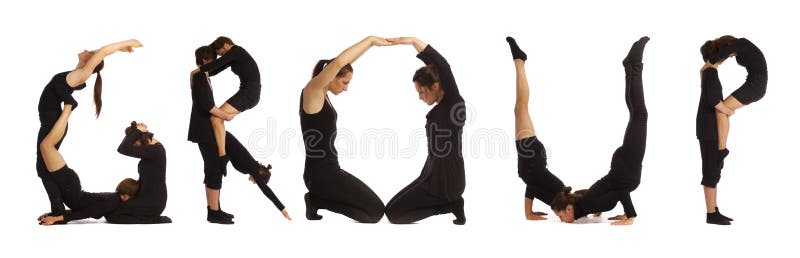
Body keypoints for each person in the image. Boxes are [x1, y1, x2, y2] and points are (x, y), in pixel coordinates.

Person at [36, 39, 142, 218]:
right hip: (50, 122)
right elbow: (98, 53)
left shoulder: (82, 74)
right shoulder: (77, 72)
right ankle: (57, 210)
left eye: (90, 53)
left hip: (55, 121)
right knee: (41, 166)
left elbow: (101, 53)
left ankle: (59, 213)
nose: (86, 49)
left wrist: (125, 43)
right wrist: (118, 50)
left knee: (45, 153)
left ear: (91, 64)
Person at [551, 37, 649, 226]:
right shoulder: (586, 204)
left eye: (560, 216)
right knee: (637, 114)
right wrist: (623, 214)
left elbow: (621, 190)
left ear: (569, 209)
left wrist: (630, 216)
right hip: (625, 166)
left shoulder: (587, 203)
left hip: (626, 167)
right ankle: (631, 66)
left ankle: (634, 65)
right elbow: (615, 192)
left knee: (639, 114)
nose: (562, 220)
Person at [190, 46, 289, 224]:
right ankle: (214, 211)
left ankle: (215, 209)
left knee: (212, 168)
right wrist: (226, 115)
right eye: (215, 60)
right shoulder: (200, 77)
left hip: (207, 128)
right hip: (203, 129)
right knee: (213, 170)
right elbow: (207, 106)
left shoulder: (201, 77)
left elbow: (206, 103)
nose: (217, 64)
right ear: (206, 61)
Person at [300, 36, 389, 223]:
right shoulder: (312, 92)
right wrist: (370, 41)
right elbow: (339, 62)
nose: (346, 88)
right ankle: (316, 200)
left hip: (331, 172)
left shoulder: (324, 95)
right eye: (345, 82)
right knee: (374, 213)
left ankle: (317, 199)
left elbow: (343, 63)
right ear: (332, 77)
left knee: (376, 210)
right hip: (320, 176)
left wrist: (368, 50)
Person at [384, 37, 466, 225]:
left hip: (446, 182)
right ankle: (450, 203)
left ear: (436, 86)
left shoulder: (454, 105)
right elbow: (435, 69)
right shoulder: (441, 107)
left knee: (395, 215)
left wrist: (413, 41)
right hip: (430, 175)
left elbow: (443, 67)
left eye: (422, 91)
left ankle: (451, 205)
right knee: (390, 209)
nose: (420, 97)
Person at [505, 37, 568, 220]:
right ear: (568, 208)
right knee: (521, 107)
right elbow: (532, 185)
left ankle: (520, 61)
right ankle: (519, 61)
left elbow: (532, 187)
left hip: (529, 157)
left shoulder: (555, 202)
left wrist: (529, 213)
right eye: (566, 215)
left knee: (519, 108)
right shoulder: (559, 194)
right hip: (531, 152)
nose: (564, 218)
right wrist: (528, 214)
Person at [37, 105, 121, 225]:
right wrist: (57, 218)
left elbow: (82, 210)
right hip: (70, 185)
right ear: (126, 196)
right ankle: (68, 107)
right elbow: (84, 213)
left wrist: (55, 215)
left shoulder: (113, 200)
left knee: (42, 164)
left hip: (71, 186)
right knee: (46, 146)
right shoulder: (113, 202)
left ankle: (66, 110)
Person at [193, 37, 261, 176]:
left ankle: (223, 156)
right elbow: (216, 69)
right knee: (217, 120)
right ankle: (229, 156)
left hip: (249, 93)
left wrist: (195, 73)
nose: (223, 56)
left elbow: (218, 63)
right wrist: (201, 73)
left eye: (222, 53)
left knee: (216, 119)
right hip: (248, 92)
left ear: (226, 45)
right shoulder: (234, 55)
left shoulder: (237, 51)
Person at [702, 36, 768, 158]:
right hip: (754, 84)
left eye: (730, 54)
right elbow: (725, 54)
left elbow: (721, 55)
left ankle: (721, 151)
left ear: (727, 45)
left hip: (756, 86)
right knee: (722, 110)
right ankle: (721, 148)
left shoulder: (740, 42)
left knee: (720, 110)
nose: (731, 56)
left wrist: (704, 68)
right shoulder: (739, 47)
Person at [105, 121, 171, 224]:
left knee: (112, 215)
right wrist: (136, 131)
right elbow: (125, 146)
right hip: (143, 197)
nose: (134, 147)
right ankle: (150, 217)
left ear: (141, 138)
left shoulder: (156, 151)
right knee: (110, 208)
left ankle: (153, 219)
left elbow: (123, 148)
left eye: (135, 143)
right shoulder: (150, 150)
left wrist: (138, 131)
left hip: (153, 202)